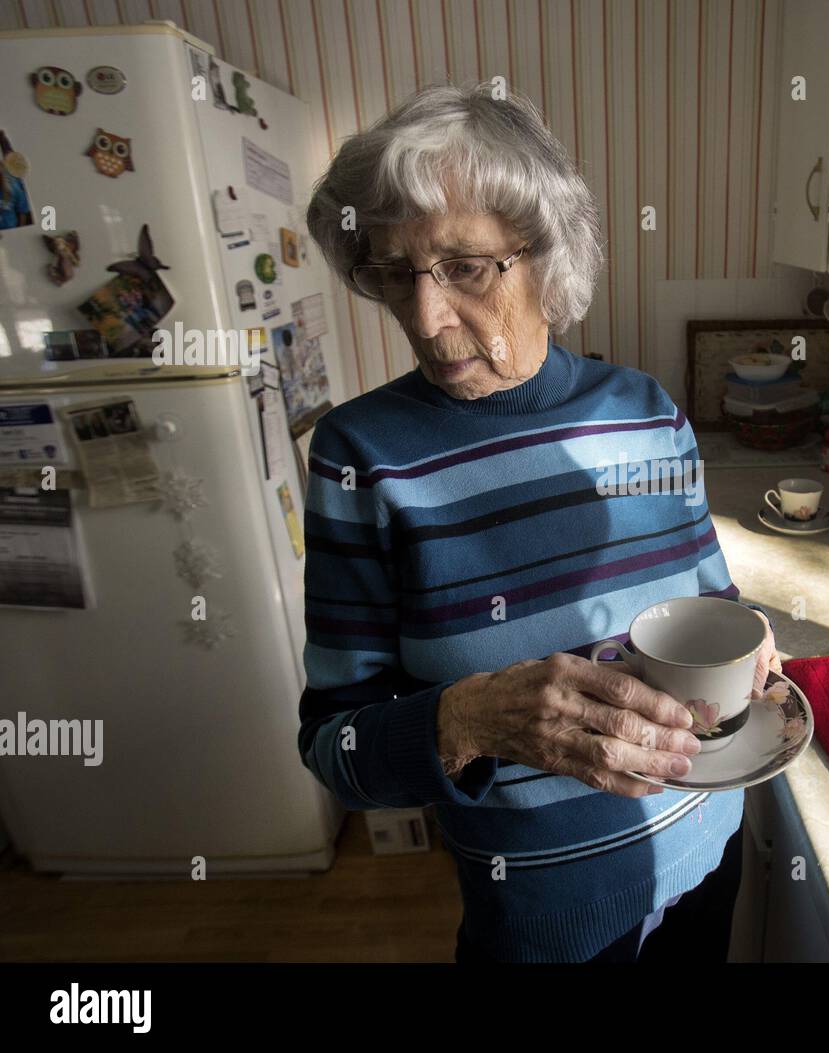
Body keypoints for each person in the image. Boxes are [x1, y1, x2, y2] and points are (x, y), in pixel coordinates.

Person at [300, 83, 780, 963]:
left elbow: (714, 600)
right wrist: (470, 718)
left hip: (707, 862)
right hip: (540, 927)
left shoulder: (646, 410)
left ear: (546, 252)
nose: (424, 316)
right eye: (395, 272)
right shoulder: (360, 454)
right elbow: (338, 748)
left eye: (464, 266)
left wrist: (755, 650)